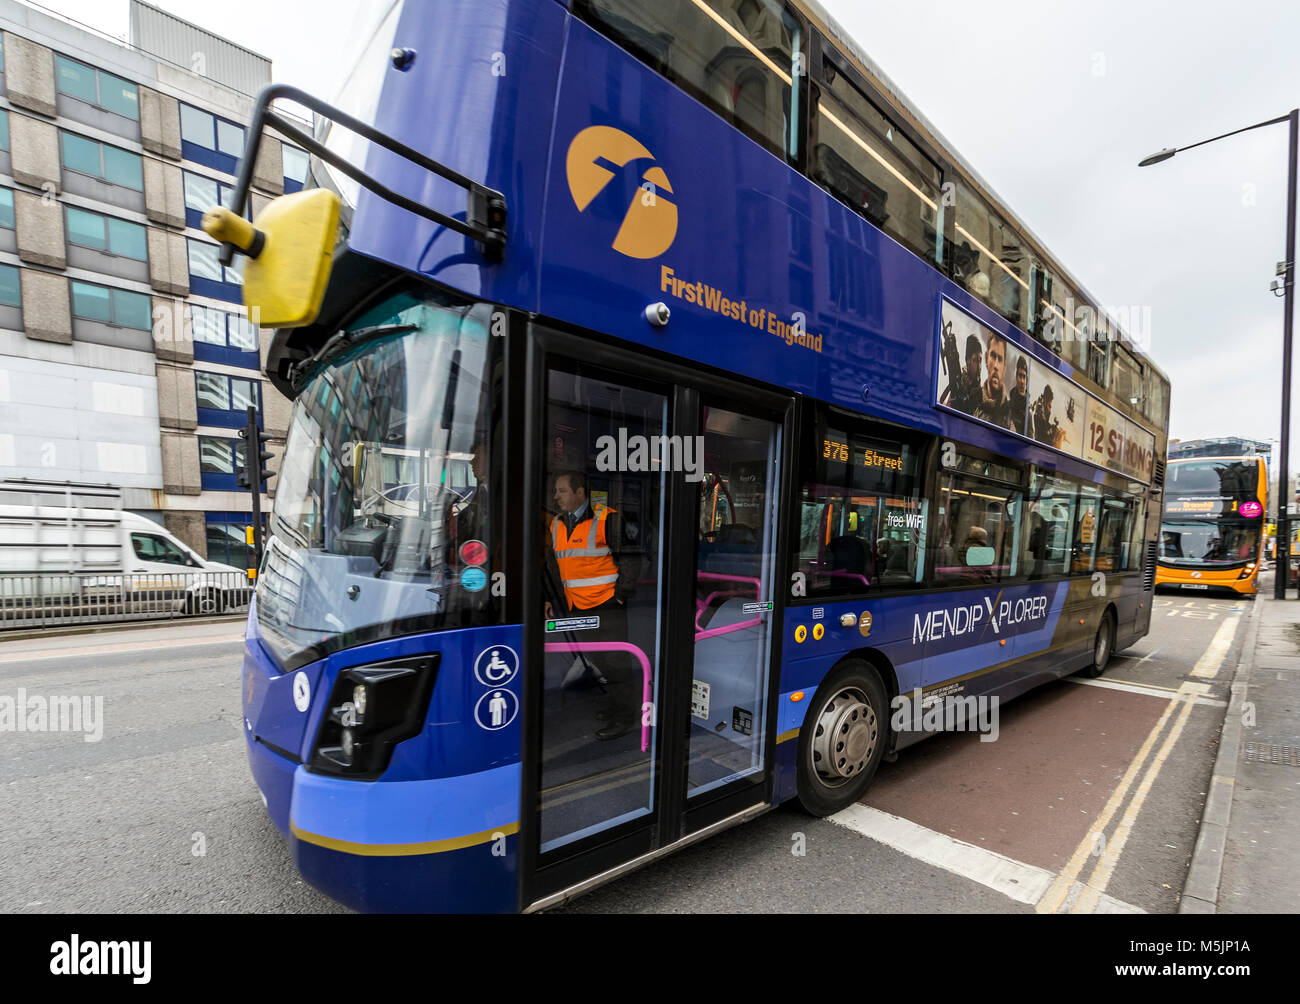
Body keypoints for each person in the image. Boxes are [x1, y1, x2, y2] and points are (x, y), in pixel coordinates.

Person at [544, 470, 640, 741]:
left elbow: (632, 560)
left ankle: (624, 718)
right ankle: (614, 706)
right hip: (579, 608)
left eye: (561, 490)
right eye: (556, 491)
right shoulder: (557, 524)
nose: (556, 496)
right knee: (599, 660)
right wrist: (549, 597)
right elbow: (554, 565)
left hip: (607, 605)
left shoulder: (607, 519)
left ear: (579, 493)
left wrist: (620, 596)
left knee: (616, 661)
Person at [973, 332, 1007, 426]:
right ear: (986, 359)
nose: (995, 365)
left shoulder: (1009, 418)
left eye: (1000, 359)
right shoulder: (972, 401)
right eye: (993, 356)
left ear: (1004, 367)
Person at [1008, 355, 1029, 434]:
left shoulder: (1028, 413)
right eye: (1020, 376)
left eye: (1024, 377)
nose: (1022, 381)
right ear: (1016, 378)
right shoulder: (1008, 406)